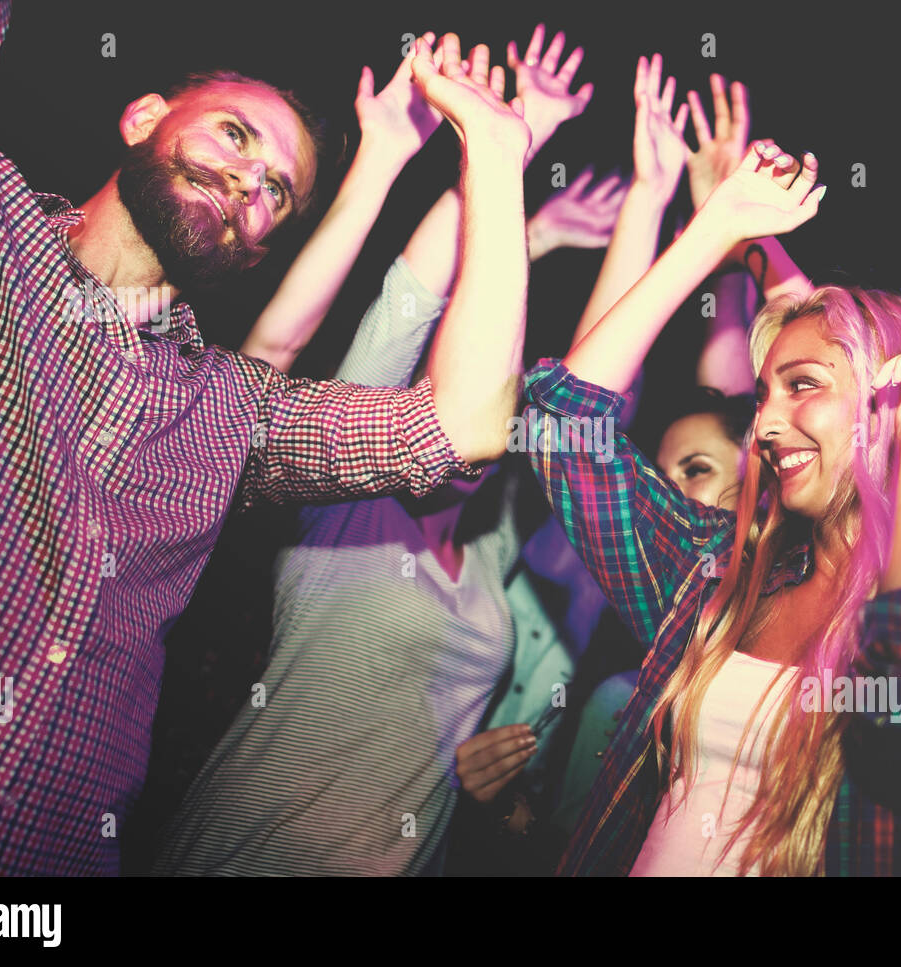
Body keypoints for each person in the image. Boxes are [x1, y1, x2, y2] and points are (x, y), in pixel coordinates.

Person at [0, 4, 529, 875]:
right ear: (142, 117)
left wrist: (497, 157)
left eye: (276, 190)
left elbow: (464, 424)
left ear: (259, 249)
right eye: (237, 136)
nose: (249, 181)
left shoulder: (231, 410)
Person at [521, 113, 901, 874]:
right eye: (762, 399)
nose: (766, 426)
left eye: (802, 387)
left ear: (893, 399)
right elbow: (559, 427)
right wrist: (714, 232)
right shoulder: (718, 574)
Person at [150, 29, 610, 876]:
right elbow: (408, 300)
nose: (455, 383)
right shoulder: (348, 504)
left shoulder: (490, 556)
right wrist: (506, 145)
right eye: (434, 376)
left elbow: (598, 411)